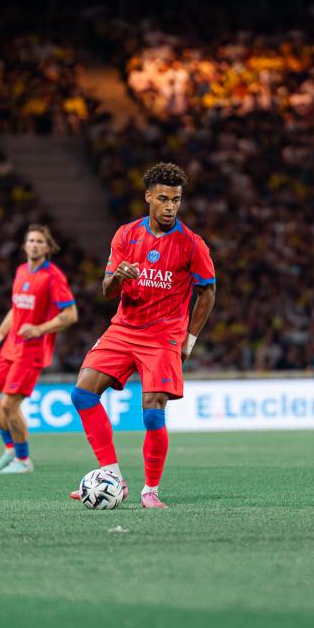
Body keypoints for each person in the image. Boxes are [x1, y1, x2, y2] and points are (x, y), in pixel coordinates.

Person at [69, 162, 216, 508]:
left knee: (152, 412)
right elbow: (107, 289)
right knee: (82, 394)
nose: (170, 207)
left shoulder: (192, 244)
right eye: (163, 199)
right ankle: (111, 476)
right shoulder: (126, 235)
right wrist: (119, 275)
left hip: (164, 335)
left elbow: (207, 292)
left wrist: (189, 339)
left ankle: (150, 490)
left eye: (176, 200)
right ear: (148, 196)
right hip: (124, 328)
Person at [0, 224, 78, 474]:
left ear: (48, 247)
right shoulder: (21, 271)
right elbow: (16, 309)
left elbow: (70, 315)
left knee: (9, 405)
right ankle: (11, 449)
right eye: (31, 240)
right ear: (24, 245)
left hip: (32, 350)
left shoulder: (53, 276)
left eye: (40, 241)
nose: (34, 244)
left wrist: (40, 329)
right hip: (10, 346)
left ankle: (23, 460)